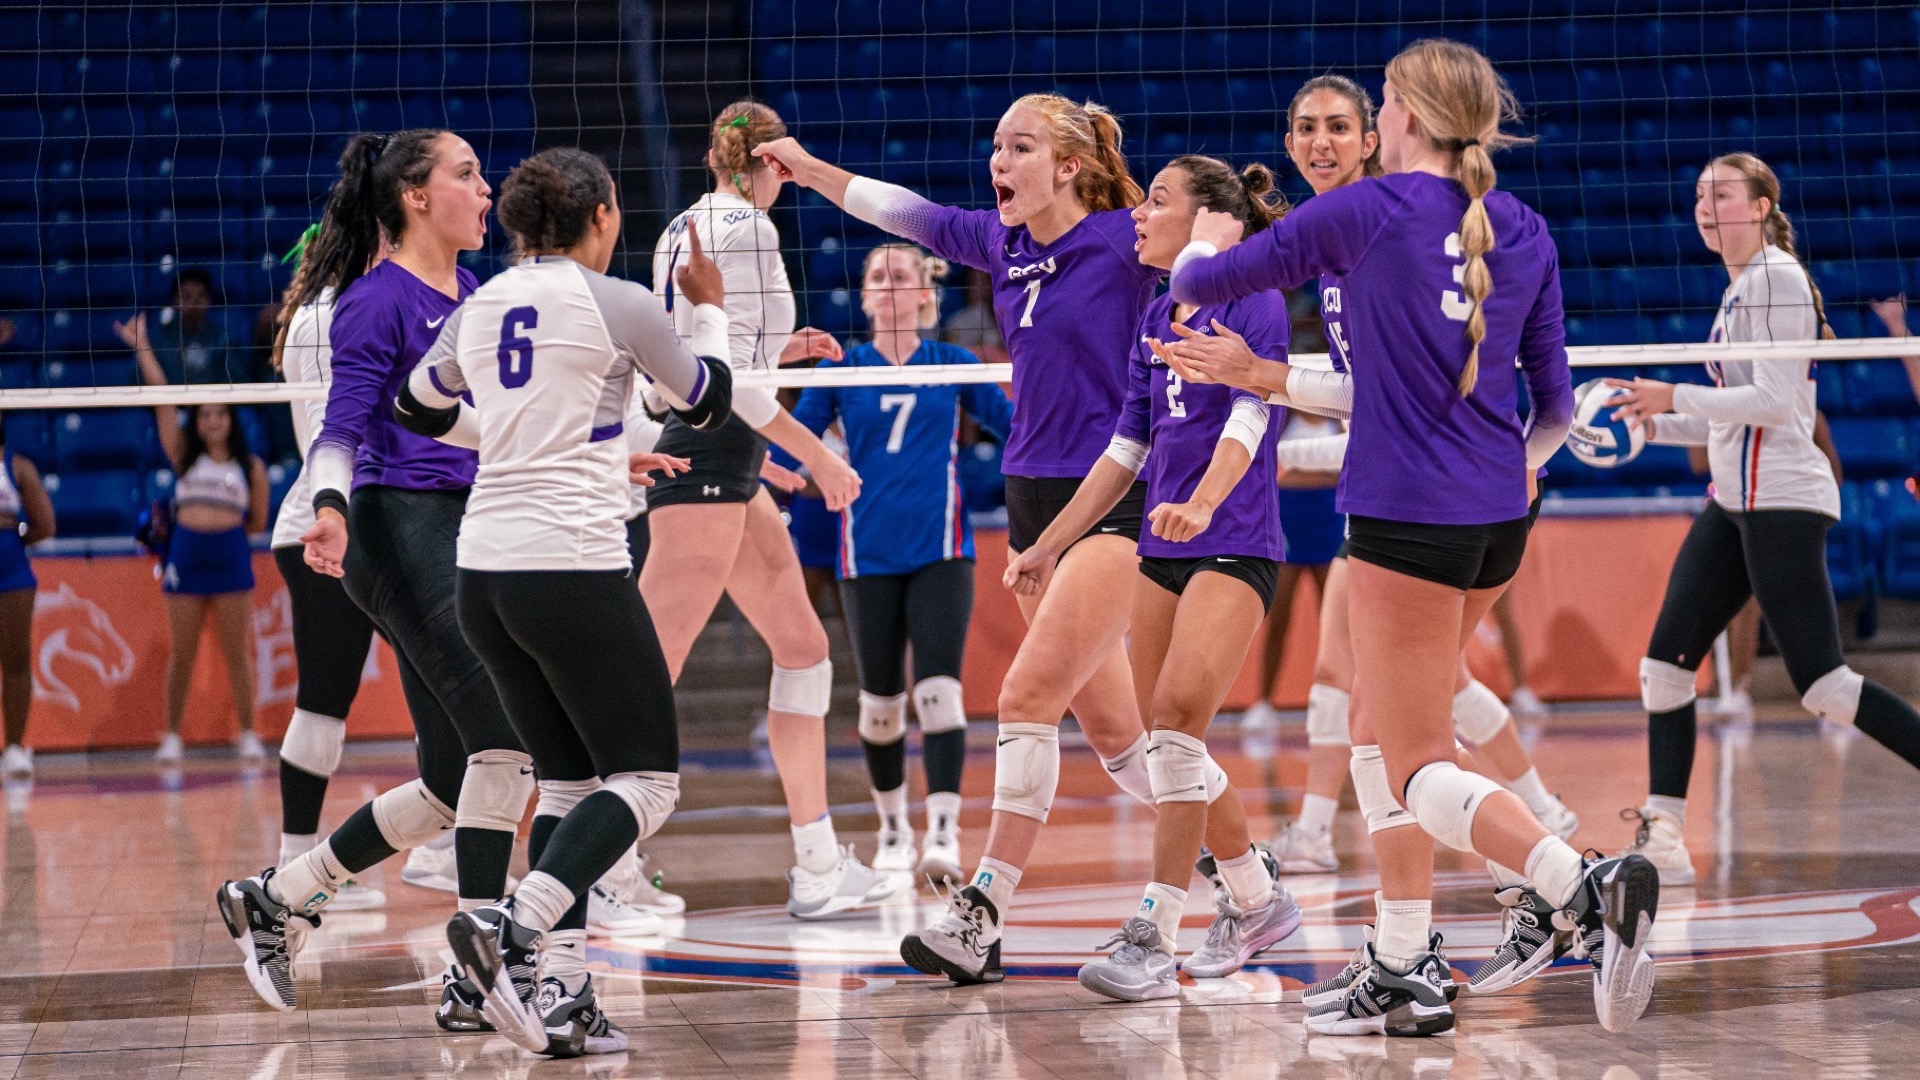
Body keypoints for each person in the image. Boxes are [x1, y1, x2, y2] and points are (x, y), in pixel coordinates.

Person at [1167, 40, 1656, 1036]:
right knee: (1372, 733)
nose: (1373, 119)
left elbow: (1212, 282)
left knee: (1415, 762)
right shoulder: (1521, 224)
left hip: (1405, 517)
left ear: (1408, 117)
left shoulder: (1367, 210)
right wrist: (1493, 467)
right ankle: (1397, 961)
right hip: (1497, 518)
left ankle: (1580, 882)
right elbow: (1554, 410)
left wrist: (1196, 237)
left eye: (1380, 103)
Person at [756, 93, 1174, 984]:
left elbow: (1214, 237)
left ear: (1067, 165)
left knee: (1023, 699)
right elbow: (895, 207)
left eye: (1019, 147)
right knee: (1122, 741)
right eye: (995, 146)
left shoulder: (1123, 240)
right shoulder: (1002, 243)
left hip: (1113, 497)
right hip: (1030, 502)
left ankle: (979, 913)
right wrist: (804, 166)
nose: (998, 161)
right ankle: (1248, 885)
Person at [405, 147, 730, 1058]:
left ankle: (568, 993)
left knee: (573, 782)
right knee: (649, 781)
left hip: (485, 575)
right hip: (572, 566)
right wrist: (706, 309)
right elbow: (706, 405)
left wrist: (509, 435)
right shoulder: (620, 302)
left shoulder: (476, 306)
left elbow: (416, 406)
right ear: (603, 216)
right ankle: (511, 929)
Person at [217, 129, 530, 1030]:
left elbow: (485, 421)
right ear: (416, 198)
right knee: (502, 737)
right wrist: (330, 505)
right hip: (393, 527)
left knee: (446, 777)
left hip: (464, 526)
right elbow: (341, 426)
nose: (487, 188)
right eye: (467, 174)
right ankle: (483, 966)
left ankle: (276, 896)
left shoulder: (473, 292)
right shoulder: (371, 303)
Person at [1007, 155, 1305, 1001]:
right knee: (1169, 747)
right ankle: (1255, 898)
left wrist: (1208, 502)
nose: (1139, 212)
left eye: (1159, 201)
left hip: (1234, 539)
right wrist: (1051, 545)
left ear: (1207, 221)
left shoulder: (1252, 299)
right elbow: (1125, 448)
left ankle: (1153, 934)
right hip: (1161, 548)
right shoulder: (1153, 310)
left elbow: (1254, 411)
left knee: (1174, 724)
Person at [1601, 151, 1920, 888]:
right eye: (1700, 195)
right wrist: (1646, 423)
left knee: (1825, 687)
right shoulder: (1739, 287)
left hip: (1780, 498)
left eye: (1723, 194)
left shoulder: (1774, 277)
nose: (1707, 208)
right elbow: (1731, 423)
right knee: (1665, 665)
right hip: (1734, 498)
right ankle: (1665, 832)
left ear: (1762, 203)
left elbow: (1778, 408)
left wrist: (1674, 397)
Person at [644, 100, 895, 920]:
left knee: (804, 648)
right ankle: (600, 866)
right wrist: (814, 456)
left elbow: (705, 351)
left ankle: (818, 865)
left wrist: (791, 348)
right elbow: (736, 386)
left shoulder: (684, 223)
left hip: (723, 454)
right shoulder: (748, 233)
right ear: (776, 161)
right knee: (646, 674)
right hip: (709, 453)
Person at [791, 242, 1013, 883]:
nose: (888, 285)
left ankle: (943, 832)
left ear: (925, 292)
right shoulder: (846, 369)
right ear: (863, 296)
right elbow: (799, 438)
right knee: (880, 705)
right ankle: (893, 830)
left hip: (942, 550)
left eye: (901, 276)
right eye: (878, 277)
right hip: (866, 556)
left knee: (941, 693)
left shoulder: (952, 363)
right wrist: (788, 469)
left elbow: (1013, 426)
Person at [264, 237, 386, 911]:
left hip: (337, 519)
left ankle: (437, 849)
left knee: (445, 681)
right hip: (328, 522)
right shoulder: (340, 313)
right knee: (323, 701)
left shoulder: (317, 310)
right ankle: (294, 874)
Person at [126, 328, 269, 763]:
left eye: (219, 414)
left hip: (229, 557)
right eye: (205, 414)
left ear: (230, 419)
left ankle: (247, 734)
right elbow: (163, 401)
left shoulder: (252, 467)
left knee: (237, 655)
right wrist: (144, 349)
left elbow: (258, 523)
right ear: (198, 420)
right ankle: (171, 736)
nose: (211, 421)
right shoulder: (183, 453)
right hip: (187, 556)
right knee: (182, 655)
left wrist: (222, 535)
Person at [0, 414, 52, 779]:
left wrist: (12, 537)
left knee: (16, 660)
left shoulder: (16, 466)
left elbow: (45, 524)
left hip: (12, 570)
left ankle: (15, 748)